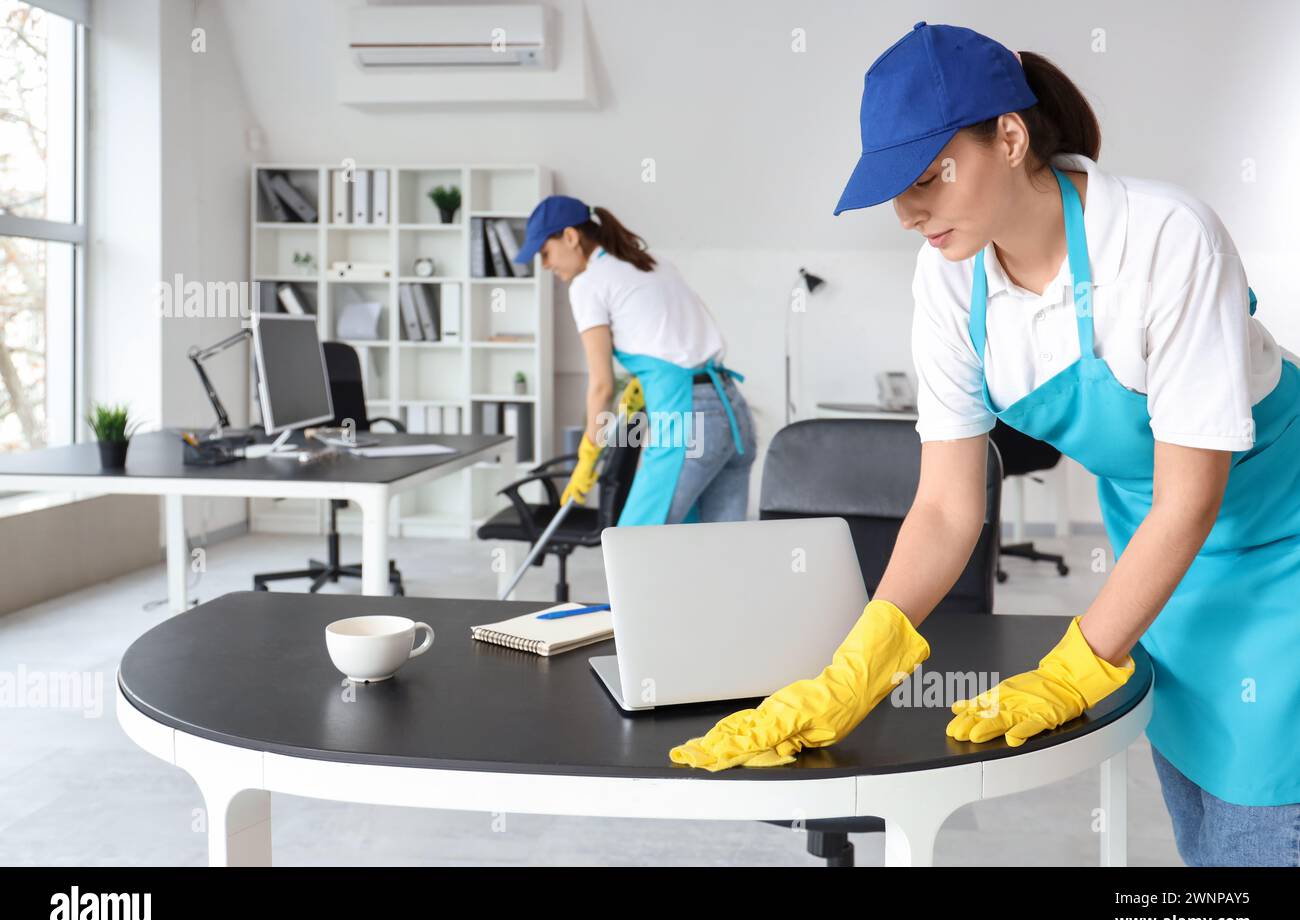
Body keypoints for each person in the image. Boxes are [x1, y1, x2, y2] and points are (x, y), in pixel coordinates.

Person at [669, 21, 1300, 867]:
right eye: (897, 189)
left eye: (930, 176)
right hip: (1161, 556)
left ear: (1009, 137)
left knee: (1254, 830)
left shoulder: (1162, 239)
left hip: (1279, 545)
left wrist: (1076, 664)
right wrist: (861, 663)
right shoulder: (949, 278)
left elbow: (1194, 494)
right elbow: (946, 504)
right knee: (1200, 819)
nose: (909, 212)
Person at [513, 196, 756, 525]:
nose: (544, 265)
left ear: (570, 236)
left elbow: (601, 385)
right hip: (733, 415)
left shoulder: (588, 284)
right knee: (714, 550)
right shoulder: (653, 262)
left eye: (544, 252)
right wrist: (646, 381)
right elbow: (679, 337)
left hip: (689, 421)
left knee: (633, 546)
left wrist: (587, 454)